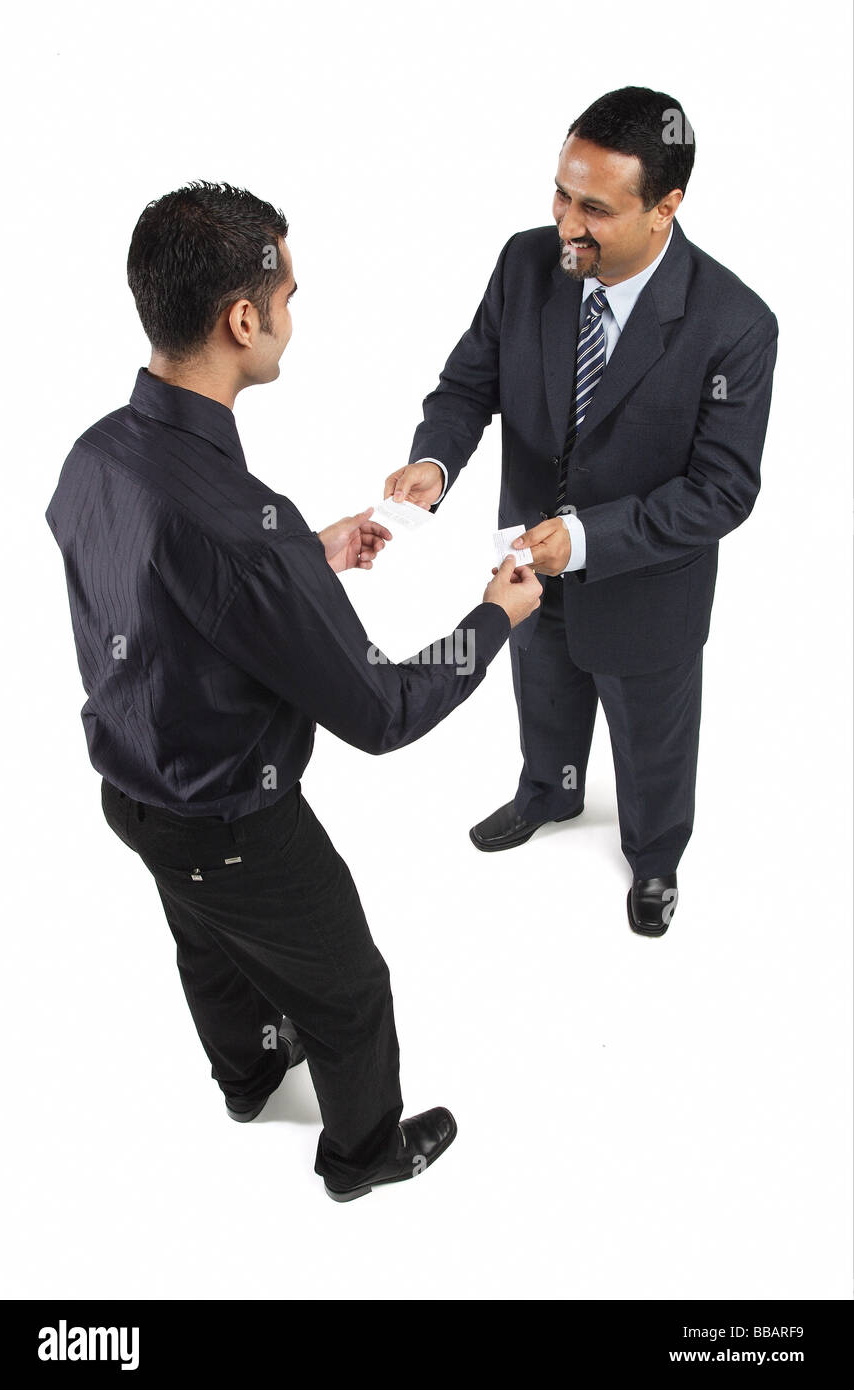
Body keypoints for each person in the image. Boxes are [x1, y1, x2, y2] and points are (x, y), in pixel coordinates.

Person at [45, 182, 541, 1202]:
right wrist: (493, 616)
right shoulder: (242, 526)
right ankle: (362, 1152)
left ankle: (247, 1077)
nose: (289, 317)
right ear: (241, 317)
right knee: (352, 990)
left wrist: (306, 557)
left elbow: (159, 589)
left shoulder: (95, 453)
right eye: (289, 295)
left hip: (134, 796)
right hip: (236, 824)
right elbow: (381, 710)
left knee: (205, 939)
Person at [386, 86, 778, 937]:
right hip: (527, 562)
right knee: (545, 695)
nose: (568, 225)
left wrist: (593, 540)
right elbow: (467, 385)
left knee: (652, 745)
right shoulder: (527, 264)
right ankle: (547, 797)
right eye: (561, 194)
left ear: (665, 207)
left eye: (595, 208)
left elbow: (722, 490)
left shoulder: (736, 325)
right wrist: (435, 459)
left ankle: (655, 858)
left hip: (644, 587)